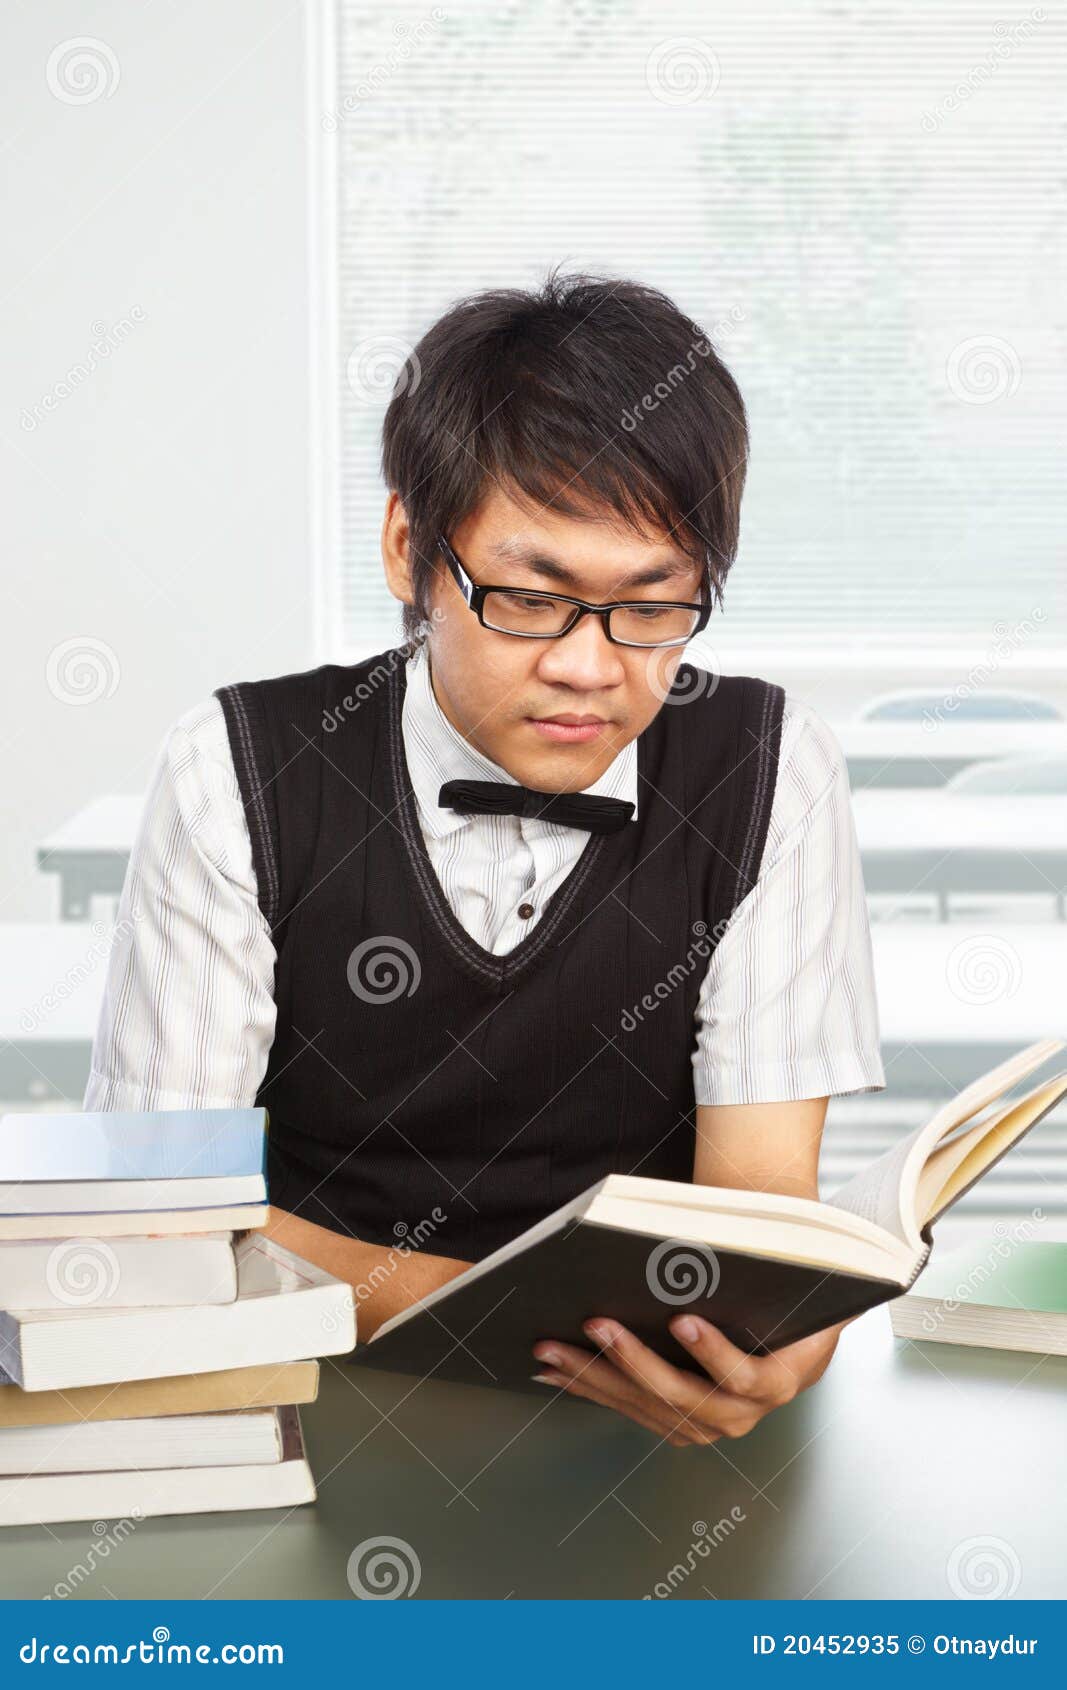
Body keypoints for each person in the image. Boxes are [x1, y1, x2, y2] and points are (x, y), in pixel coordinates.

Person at [86, 269, 885, 1448]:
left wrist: (783, 1332)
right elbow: (167, 1213)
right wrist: (521, 1328)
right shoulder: (237, 766)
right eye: (528, 597)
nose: (589, 667)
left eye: (652, 607)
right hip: (307, 1397)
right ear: (410, 546)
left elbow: (758, 1203)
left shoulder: (770, 769)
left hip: (650, 1430)